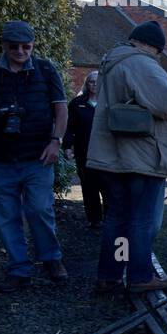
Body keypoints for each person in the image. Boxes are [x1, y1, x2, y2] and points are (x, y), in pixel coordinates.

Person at [0, 21, 69, 291]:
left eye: (26, 46)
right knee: (6, 216)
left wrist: (56, 141)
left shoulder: (45, 69)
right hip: (2, 157)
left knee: (40, 210)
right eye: (14, 46)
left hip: (38, 156)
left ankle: (51, 259)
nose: (20, 51)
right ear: (3, 45)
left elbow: (61, 109)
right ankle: (18, 269)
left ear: (33, 45)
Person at [88, 20, 167, 293]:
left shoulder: (112, 61)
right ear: (153, 47)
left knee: (117, 217)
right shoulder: (141, 63)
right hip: (141, 156)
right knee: (142, 219)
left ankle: (110, 274)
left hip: (112, 156)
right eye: (159, 53)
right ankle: (140, 275)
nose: (158, 58)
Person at [64, 71, 106, 227]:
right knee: (89, 187)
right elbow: (69, 128)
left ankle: (110, 220)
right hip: (84, 152)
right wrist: (68, 147)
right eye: (91, 82)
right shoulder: (77, 104)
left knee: (107, 187)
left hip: (106, 153)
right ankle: (94, 220)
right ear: (87, 84)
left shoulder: (109, 103)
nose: (95, 85)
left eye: (98, 82)